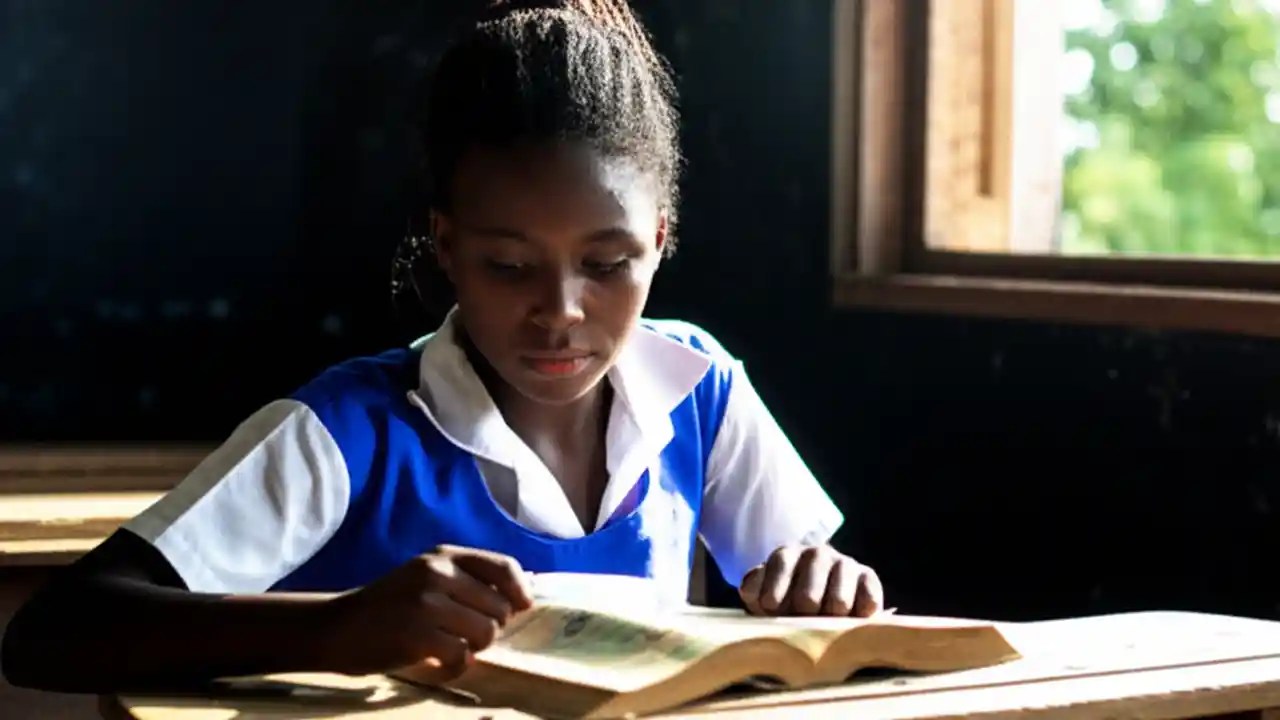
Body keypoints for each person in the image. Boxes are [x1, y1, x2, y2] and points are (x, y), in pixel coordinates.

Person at [1, 0, 883, 694]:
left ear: (660, 239)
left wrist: (825, 586)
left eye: (607, 264)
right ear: (448, 246)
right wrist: (333, 627)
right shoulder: (349, 432)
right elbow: (54, 633)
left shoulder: (699, 389)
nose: (560, 312)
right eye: (509, 266)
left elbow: (812, 603)